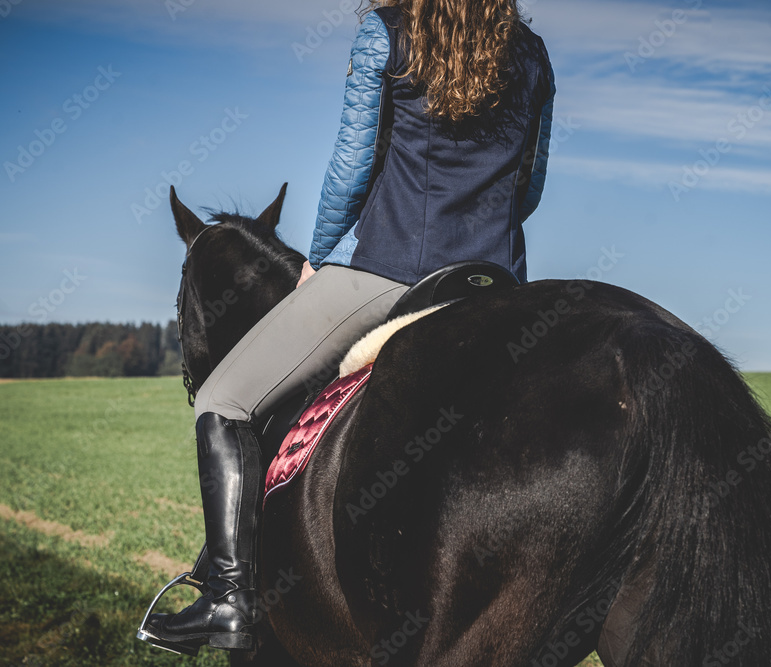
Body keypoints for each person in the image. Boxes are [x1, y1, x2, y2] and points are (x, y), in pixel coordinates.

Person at [140, 0, 554, 654]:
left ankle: (227, 598)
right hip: (494, 285)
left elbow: (350, 170)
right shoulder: (532, 58)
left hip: (390, 273)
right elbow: (528, 188)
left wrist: (320, 259)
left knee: (222, 401)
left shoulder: (384, 35)